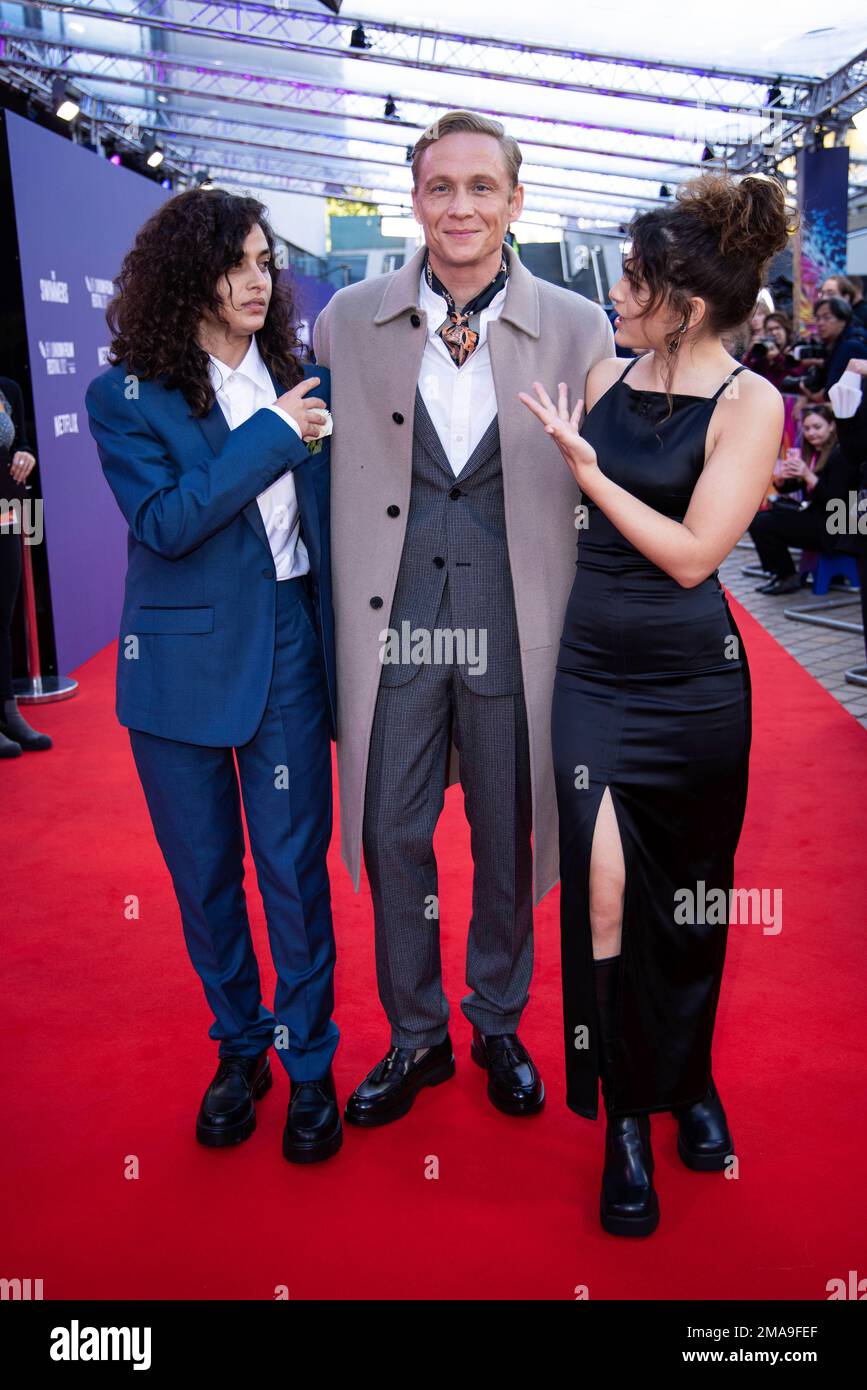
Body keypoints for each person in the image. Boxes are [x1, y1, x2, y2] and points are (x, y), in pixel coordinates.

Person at [312, 109, 614, 1127]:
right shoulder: (347, 319)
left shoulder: (578, 326)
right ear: (415, 200)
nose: (461, 208)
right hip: (391, 629)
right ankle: (416, 1034)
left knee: (506, 833)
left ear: (516, 201)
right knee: (389, 831)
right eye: (441, 188)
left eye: (483, 188)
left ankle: (496, 1017)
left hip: (515, 629)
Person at [520, 171, 794, 1236]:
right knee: (600, 890)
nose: (616, 288)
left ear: (681, 295)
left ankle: (691, 1073)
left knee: (691, 893)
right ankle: (626, 1113)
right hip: (591, 670)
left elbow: (692, 557)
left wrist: (590, 473)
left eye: (633, 275)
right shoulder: (599, 373)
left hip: (693, 682)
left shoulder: (753, 402)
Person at [85, 189, 343, 1163]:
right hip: (180, 664)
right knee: (204, 878)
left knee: (293, 869)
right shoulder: (124, 395)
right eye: (237, 261)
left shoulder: (301, 374)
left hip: (287, 643)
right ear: (187, 272)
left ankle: (309, 1060)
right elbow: (168, 521)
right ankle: (242, 1050)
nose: (255, 279)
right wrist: (275, 434)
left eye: (265, 262)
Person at [0, 374, 52, 758]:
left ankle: (7, 710)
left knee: (3, 617)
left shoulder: (8, 388)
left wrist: (26, 452)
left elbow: (21, 443)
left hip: (7, 512)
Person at [749, 406, 845, 595]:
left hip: (835, 526)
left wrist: (808, 475)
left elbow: (837, 503)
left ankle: (786, 576)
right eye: (807, 428)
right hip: (816, 517)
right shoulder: (814, 454)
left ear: (832, 426)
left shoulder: (839, 455)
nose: (811, 433)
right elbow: (794, 487)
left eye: (817, 427)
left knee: (764, 524)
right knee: (761, 518)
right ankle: (780, 573)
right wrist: (781, 479)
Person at [742, 310, 798, 390]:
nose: (774, 333)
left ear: (786, 330)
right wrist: (751, 353)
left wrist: (777, 358)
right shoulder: (764, 353)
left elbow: (793, 377)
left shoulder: (793, 350)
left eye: (777, 328)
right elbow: (745, 375)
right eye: (770, 330)